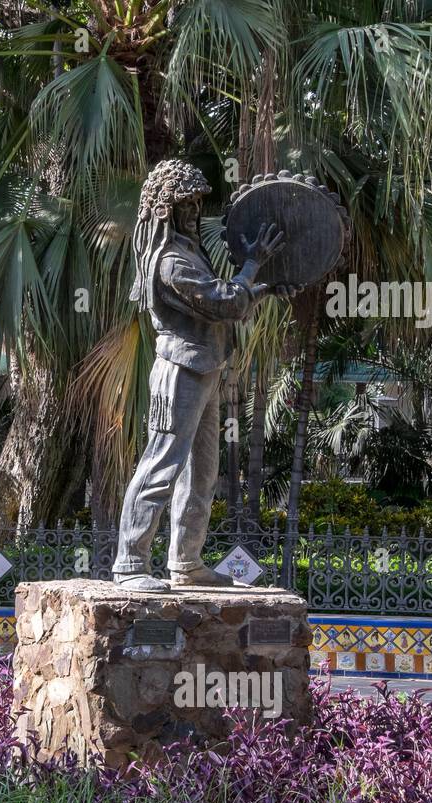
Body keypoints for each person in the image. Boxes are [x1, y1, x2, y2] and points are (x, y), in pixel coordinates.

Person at [113, 159, 284, 591]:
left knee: (202, 473)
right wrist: (250, 268)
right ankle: (130, 564)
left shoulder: (190, 251)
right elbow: (219, 301)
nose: (194, 211)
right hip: (180, 371)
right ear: (165, 209)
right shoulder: (169, 260)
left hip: (206, 369)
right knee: (160, 466)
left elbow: (225, 303)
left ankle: (186, 563)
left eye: (197, 202)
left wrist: (255, 291)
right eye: (185, 204)